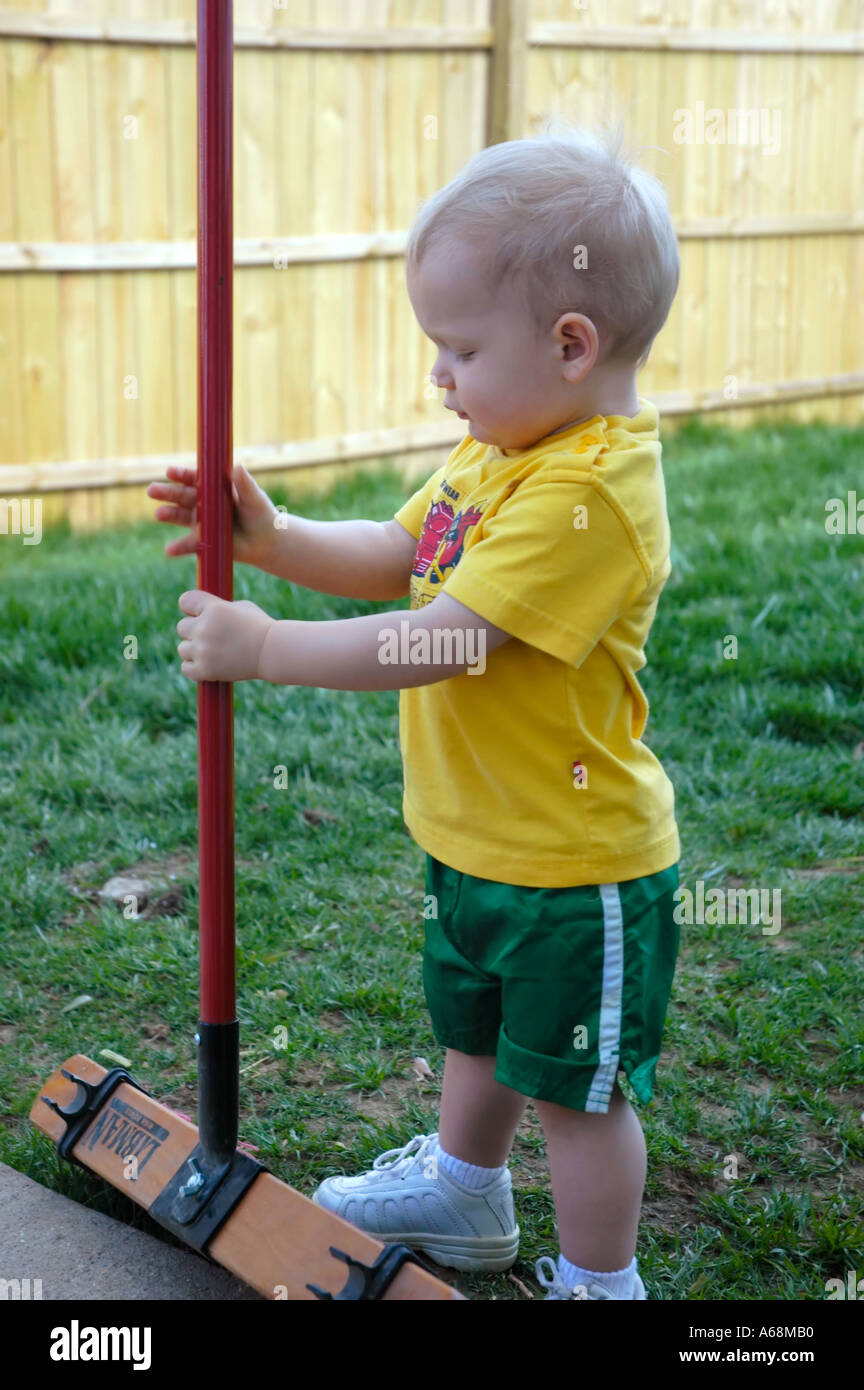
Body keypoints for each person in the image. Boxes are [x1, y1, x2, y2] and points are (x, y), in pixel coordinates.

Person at [148, 121, 682, 1302]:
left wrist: (266, 646)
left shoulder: (591, 494)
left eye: (458, 349)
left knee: (578, 1092)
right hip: (479, 837)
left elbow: (442, 637)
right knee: (477, 1033)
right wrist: (272, 540)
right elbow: (402, 554)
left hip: (574, 862)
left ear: (571, 342)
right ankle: (465, 1186)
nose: (437, 376)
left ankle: (605, 1282)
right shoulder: (498, 450)